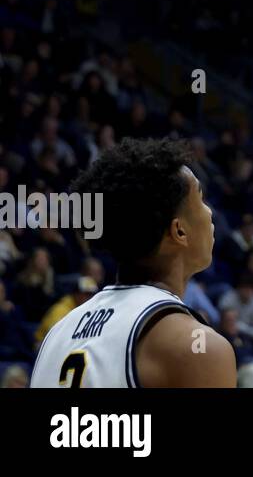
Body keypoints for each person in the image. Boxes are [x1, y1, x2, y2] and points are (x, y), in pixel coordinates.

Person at [30, 138, 235, 387]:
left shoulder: (57, 333)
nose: (210, 211)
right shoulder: (199, 345)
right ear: (179, 231)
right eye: (201, 199)